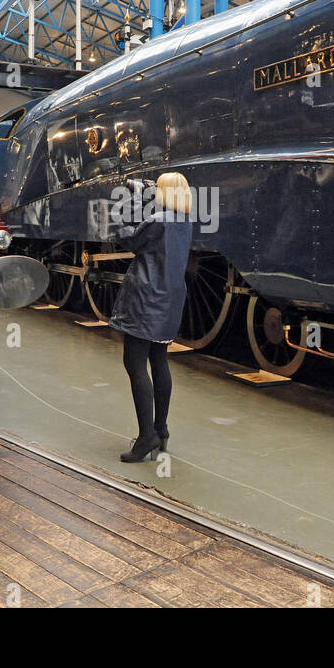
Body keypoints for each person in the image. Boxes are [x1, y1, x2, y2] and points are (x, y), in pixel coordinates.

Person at [108, 172, 194, 462]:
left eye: (157, 188)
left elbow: (128, 238)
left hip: (147, 299)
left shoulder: (159, 220)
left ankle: (146, 437)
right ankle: (161, 431)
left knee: (134, 363)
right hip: (170, 299)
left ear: (165, 191)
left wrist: (132, 198)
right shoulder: (184, 221)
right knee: (159, 360)